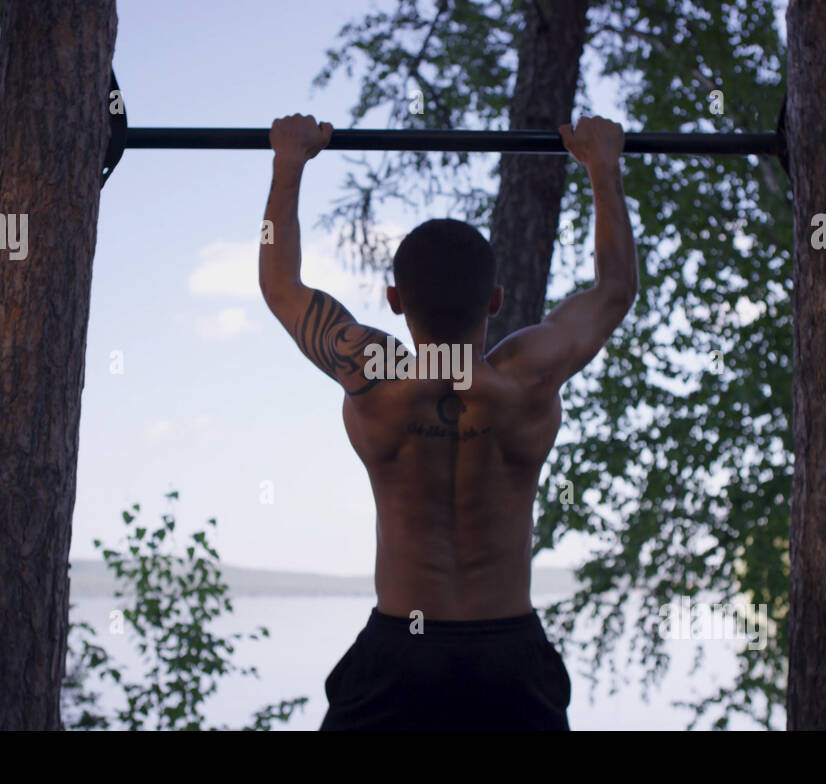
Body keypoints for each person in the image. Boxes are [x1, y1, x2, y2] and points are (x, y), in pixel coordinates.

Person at [258, 113, 638, 730]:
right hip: (507, 654)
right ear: (495, 300)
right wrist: (602, 166)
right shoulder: (527, 378)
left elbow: (280, 287)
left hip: (400, 654)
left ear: (395, 301)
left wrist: (289, 162)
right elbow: (617, 288)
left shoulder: (373, 376)